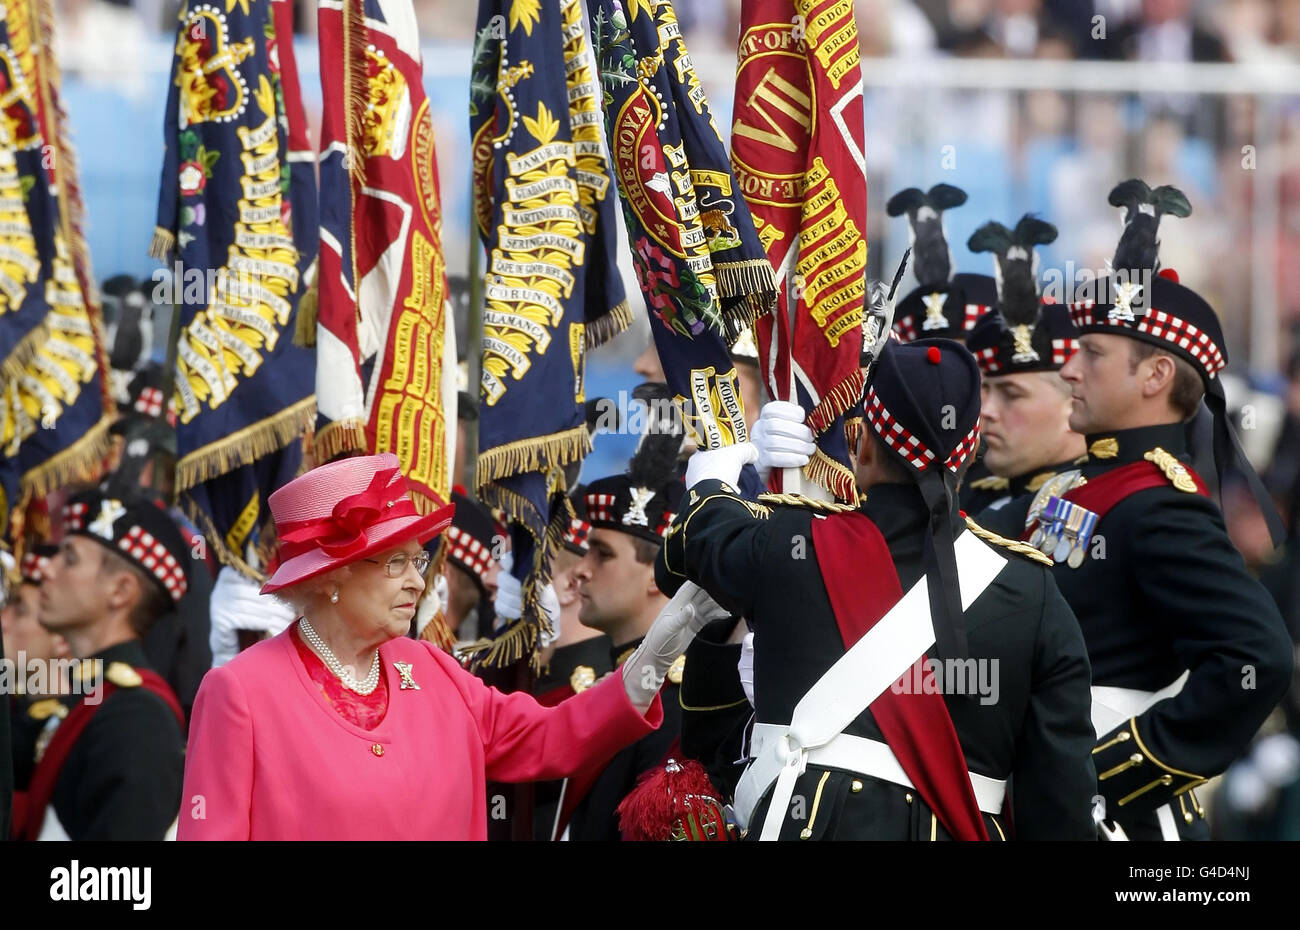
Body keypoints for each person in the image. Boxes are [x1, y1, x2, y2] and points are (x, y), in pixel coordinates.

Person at [659, 338, 1099, 840]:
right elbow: (1062, 803)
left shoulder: (789, 542)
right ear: (969, 451)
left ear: (862, 445)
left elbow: (685, 556)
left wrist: (719, 482)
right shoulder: (1033, 592)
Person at [179, 453, 718, 840]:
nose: (418, 581)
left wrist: (651, 662)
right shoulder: (242, 692)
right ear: (330, 577)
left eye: (418, 561)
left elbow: (551, 738)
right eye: (396, 563)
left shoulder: (427, 666)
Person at [1024, 178, 1294, 840]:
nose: (1071, 370)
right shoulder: (1079, 481)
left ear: (1154, 377)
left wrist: (1108, 772)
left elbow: (1256, 655)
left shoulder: (1159, 505)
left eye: (1093, 354)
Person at [12, 490, 188, 840]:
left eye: (70, 558)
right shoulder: (86, 694)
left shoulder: (137, 718)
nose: (46, 568)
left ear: (121, 591)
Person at [555, 439, 690, 840]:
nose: (580, 570)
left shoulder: (677, 702)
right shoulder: (625, 683)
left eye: (602, 554)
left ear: (657, 574)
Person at [963, 214, 1087, 538]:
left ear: (1074, 400)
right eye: (985, 390)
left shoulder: (1098, 506)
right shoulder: (975, 495)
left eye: (1012, 393)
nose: (985, 411)